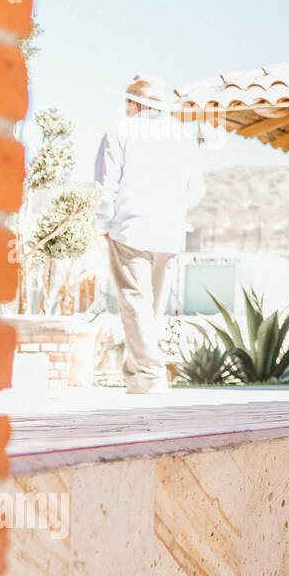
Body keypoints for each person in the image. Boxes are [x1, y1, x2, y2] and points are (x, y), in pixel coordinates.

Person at [93, 75, 214, 393]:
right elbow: (196, 189)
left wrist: (104, 226)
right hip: (170, 232)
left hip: (130, 228)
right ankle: (135, 374)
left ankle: (150, 374)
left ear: (134, 103)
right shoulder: (181, 135)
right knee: (151, 308)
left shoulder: (120, 129)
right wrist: (174, 211)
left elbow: (106, 186)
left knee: (135, 302)